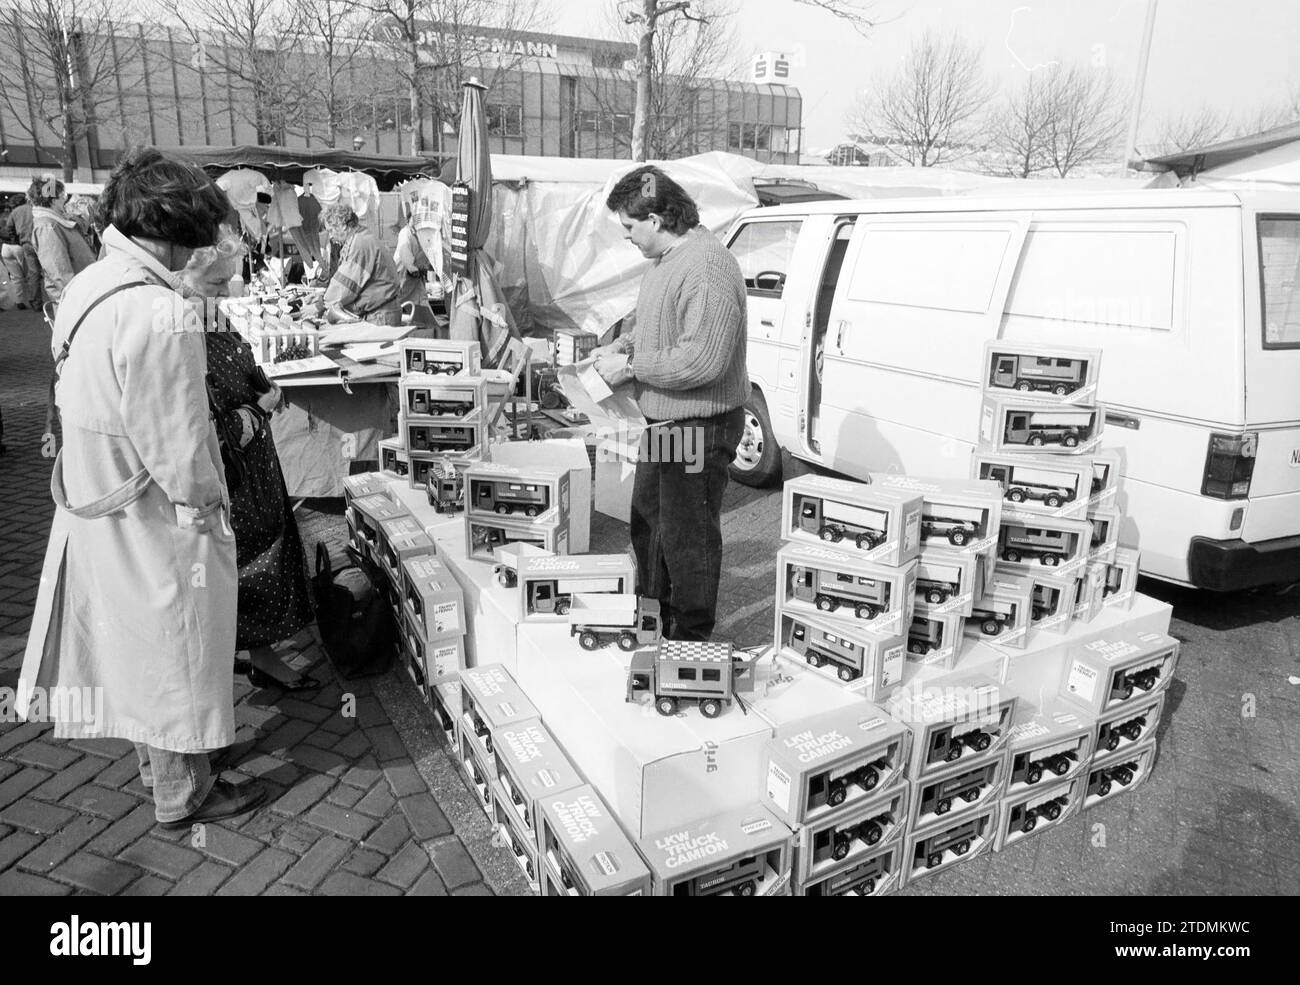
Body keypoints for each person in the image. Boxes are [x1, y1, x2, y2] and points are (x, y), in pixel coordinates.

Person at [16, 148, 267, 829]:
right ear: (175, 227)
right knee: (176, 647)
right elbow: (179, 445)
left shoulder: (93, 285)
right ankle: (184, 790)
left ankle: (180, 763)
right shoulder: (161, 311)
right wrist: (211, 503)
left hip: (99, 497)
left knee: (142, 646)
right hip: (151, 509)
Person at [594, 165, 749, 642]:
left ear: (657, 220)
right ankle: (654, 615)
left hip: (699, 426)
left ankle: (691, 633)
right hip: (669, 423)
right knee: (650, 519)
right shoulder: (666, 262)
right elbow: (656, 322)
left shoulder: (707, 267)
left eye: (630, 228)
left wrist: (633, 366)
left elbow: (702, 361)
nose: (628, 238)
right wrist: (622, 346)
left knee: (688, 534)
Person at [179, 233, 318, 690]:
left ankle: (261, 655)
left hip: (253, 460)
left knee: (266, 549)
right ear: (184, 273)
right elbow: (202, 423)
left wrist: (264, 393)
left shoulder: (210, 314)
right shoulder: (180, 329)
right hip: (232, 470)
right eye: (216, 282)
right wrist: (257, 409)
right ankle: (230, 668)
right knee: (246, 562)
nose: (226, 290)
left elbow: (239, 369)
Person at [321, 203, 405, 325]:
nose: (331, 236)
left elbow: (345, 286)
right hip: (382, 312)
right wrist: (322, 296)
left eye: (330, 230)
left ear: (342, 225)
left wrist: (321, 305)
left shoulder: (360, 243)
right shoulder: (361, 237)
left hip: (380, 315)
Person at [30, 176, 97, 305]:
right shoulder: (47, 226)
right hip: (76, 300)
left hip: (82, 293)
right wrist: (78, 299)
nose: (65, 199)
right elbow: (60, 272)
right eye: (63, 195)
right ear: (53, 200)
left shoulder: (56, 221)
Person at [392, 213, 440, 331]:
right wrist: (414, 269)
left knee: (424, 313)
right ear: (408, 220)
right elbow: (407, 258)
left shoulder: (423, 235)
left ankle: (432, 333)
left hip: (416, 283)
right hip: (403, 278)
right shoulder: (405, 233)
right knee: (397, 308)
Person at [5, 183, 41, 308]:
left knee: (32, 273)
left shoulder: (14, 212)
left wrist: (15, 237)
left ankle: (34, 302)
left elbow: (8, 227)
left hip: (24, 244)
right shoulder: (36, 208)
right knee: (47, 271)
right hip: (40, 241)